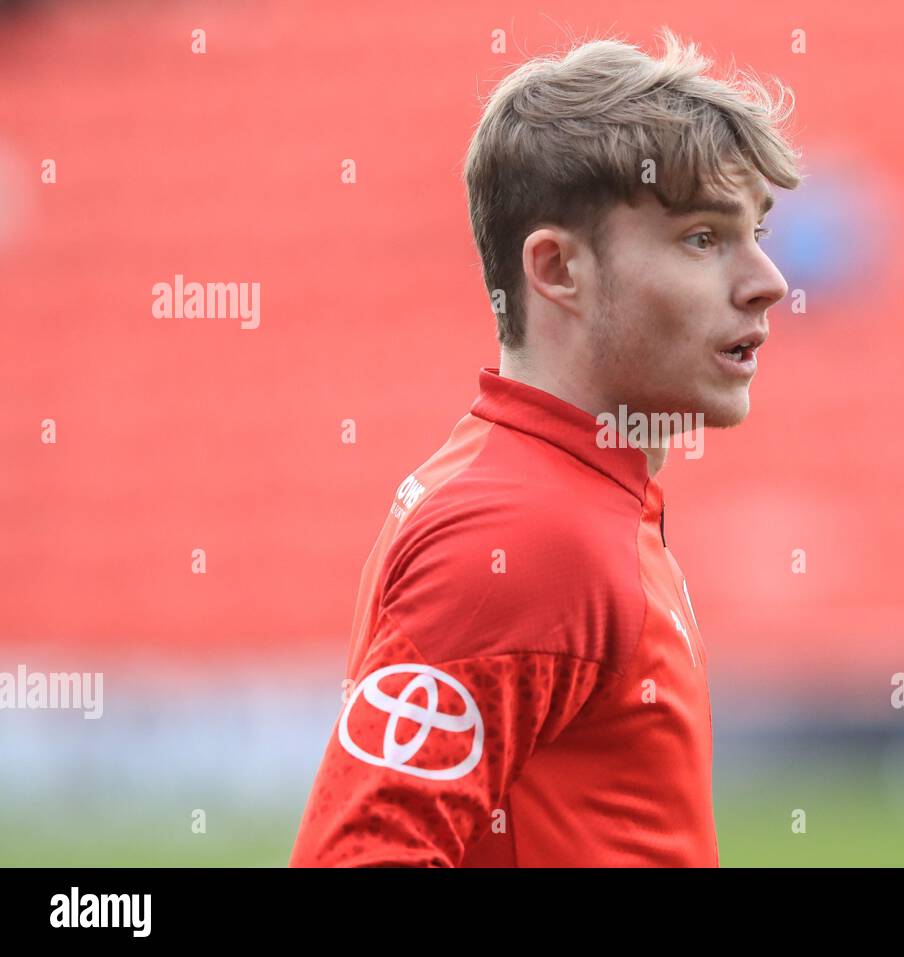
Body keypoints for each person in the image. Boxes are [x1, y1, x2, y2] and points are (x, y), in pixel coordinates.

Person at [290, 27, 802, 867]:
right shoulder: (526, 536)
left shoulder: (562, 490)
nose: (768, 280)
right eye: (703, 238)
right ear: (558, 269)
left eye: (757, 232)